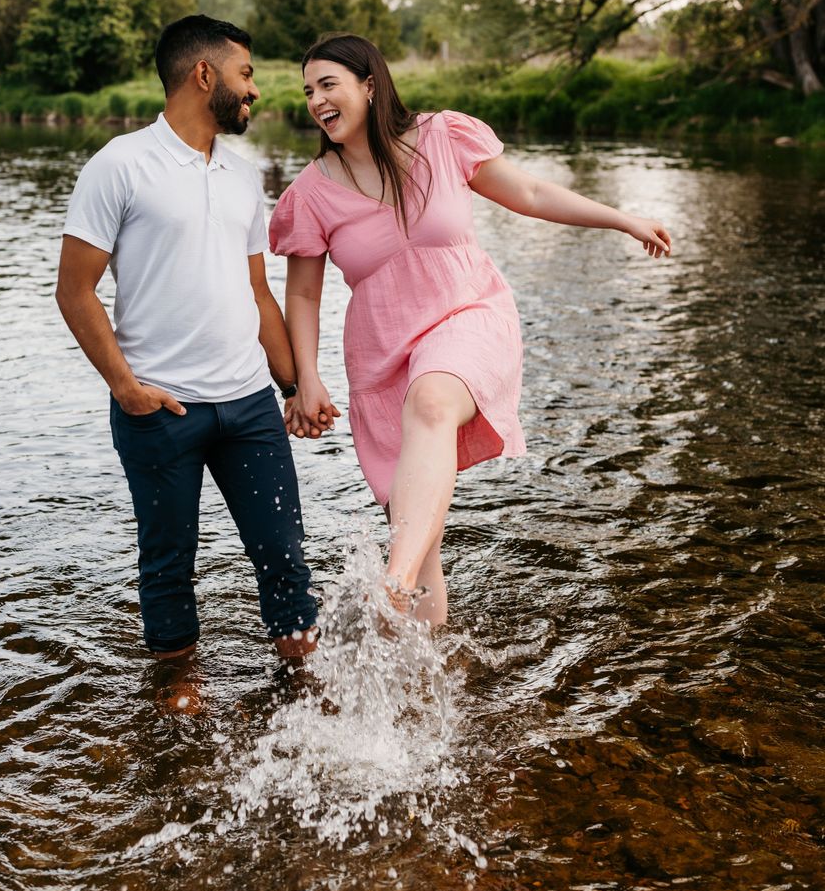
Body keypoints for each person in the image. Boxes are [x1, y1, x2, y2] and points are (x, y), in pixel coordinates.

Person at [269, 35, 671, 628]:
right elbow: (302, 293)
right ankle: (425, 674)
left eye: (329, 84)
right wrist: (306, 379)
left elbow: (530, 193)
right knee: (417, 532)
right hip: (381, 356)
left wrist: (621, 218)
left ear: (369, 85)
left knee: (432, 400)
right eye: (308, 91)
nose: (316, 100)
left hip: (467, 314)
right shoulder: (310, 194)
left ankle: (393, 582)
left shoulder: (442, 137)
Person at [56, 14, 318, 662]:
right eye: (246, 73)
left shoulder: (244, 175)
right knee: (168, 563)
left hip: (250, 404)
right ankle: (175, 688)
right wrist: (127, 389)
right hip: (161, 409)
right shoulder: (119, 166)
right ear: (205, 75)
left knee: (283, 552)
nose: (254, 90)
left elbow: (258, 293)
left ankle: (305, 681)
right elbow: (74, 290)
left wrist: (292, 386)